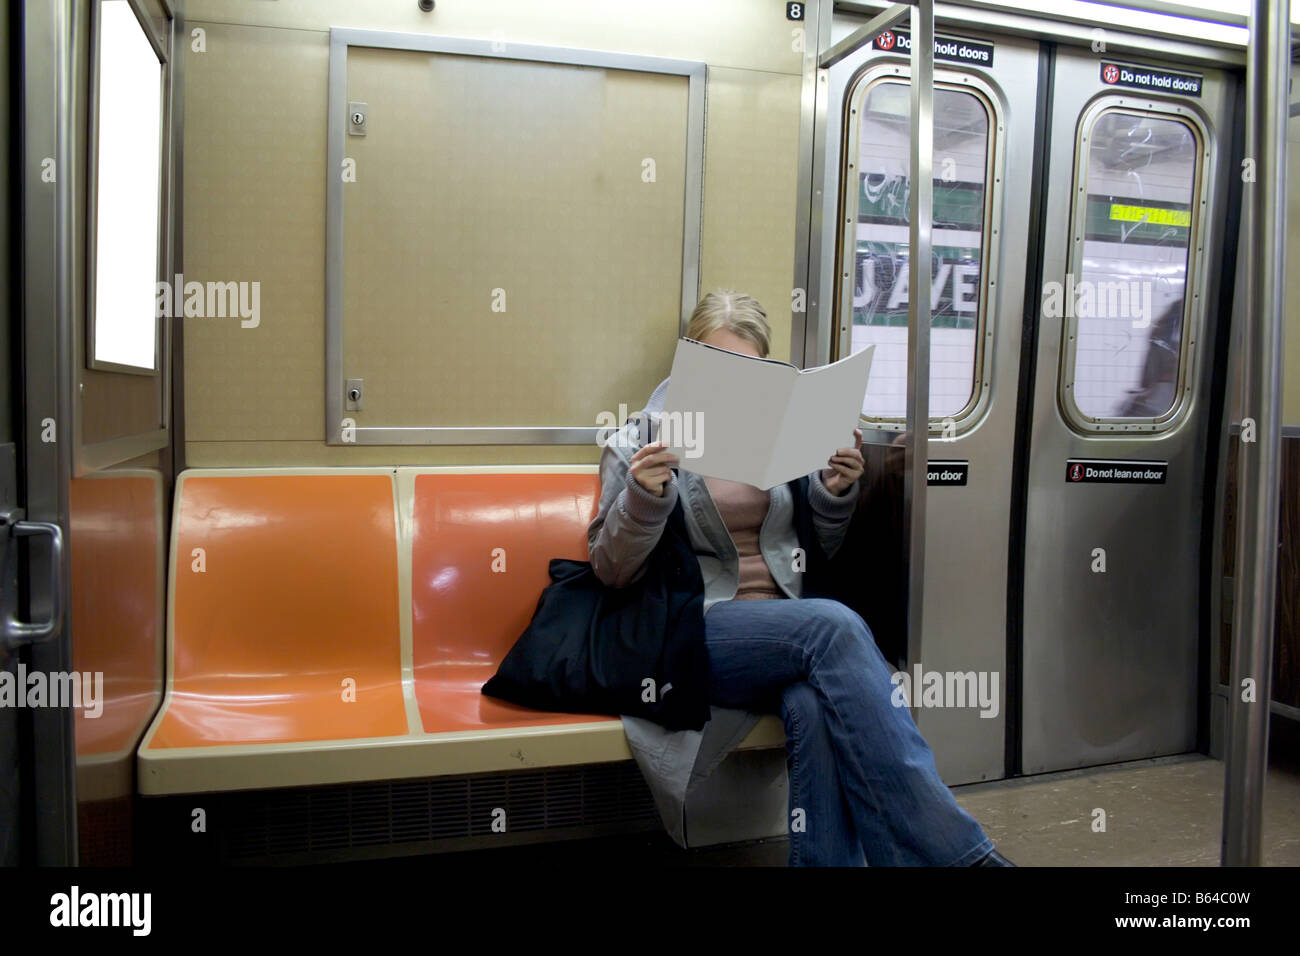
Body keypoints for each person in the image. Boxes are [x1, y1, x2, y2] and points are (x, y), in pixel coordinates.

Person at [588, 289, 1013, 867]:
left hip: (784, 631)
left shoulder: (780, 434)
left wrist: (834, 495)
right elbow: (612, 572)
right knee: (834, 629)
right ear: (690, 365)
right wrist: (643, 497)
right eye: (720, 368)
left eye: (752, 371)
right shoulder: (642, 440)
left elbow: (817, 550)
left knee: (814, 702)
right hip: (692, 632)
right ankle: (961, 858)